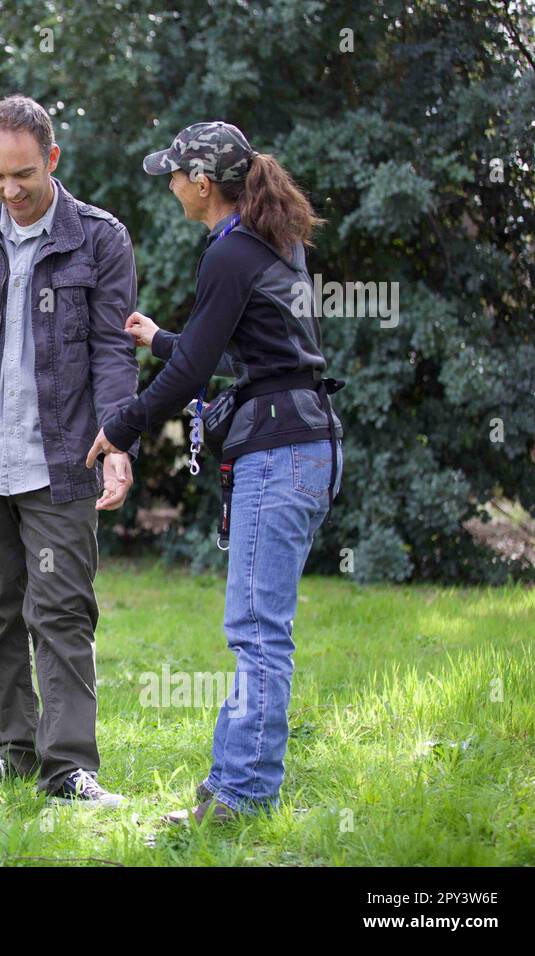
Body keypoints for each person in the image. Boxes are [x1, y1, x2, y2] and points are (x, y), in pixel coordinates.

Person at [86, 121, 344, 823]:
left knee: (258, 631)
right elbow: (247, 355)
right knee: (255, 627)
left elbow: (194, 373)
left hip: (280, 450)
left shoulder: (231, 255)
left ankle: (242, 797)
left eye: (174, 174)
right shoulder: (274, 244)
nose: (169, 186)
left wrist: (120, 427)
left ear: (202, 183)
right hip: (306, 442)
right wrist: (163, 339)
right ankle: (227, 787)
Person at [0, 95, 139, 806]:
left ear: (53, 160)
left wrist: (120, 442)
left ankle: (67, 767)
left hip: (64, 457)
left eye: (23, 176)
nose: (10, 191)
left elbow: (112, 350)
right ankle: (8, 749)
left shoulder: (99, 239)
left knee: (63, 611)